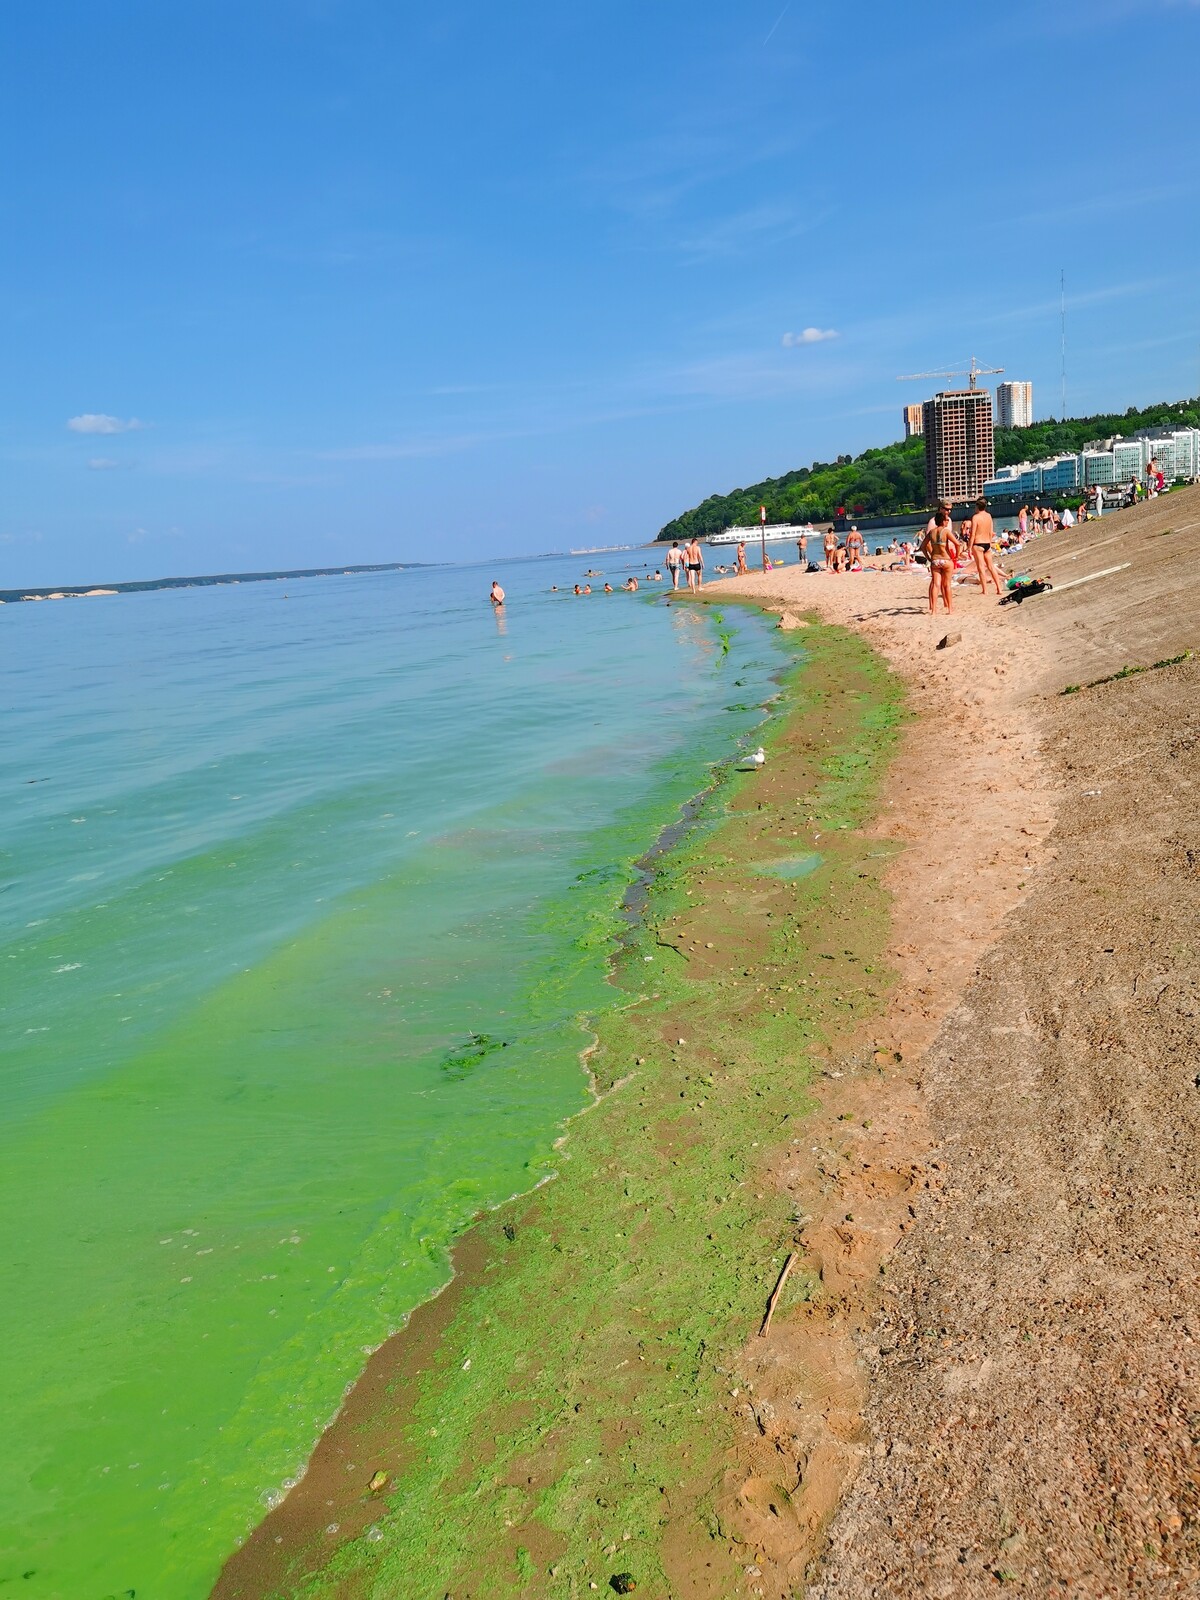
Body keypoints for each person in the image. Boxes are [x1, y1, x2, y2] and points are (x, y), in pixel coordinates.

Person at [919, 509, 959, 613]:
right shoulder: (945, 531)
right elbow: (957, 544)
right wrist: (956, 556)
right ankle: (950, 609)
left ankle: (934, 610)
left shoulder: (931, 532)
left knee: (936, 584)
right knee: (947, 584)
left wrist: (928, 557)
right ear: (943, 521)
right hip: (945, 559)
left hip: (935, 561)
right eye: (946, 520)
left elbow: (923, 546)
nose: (947, 522)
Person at [967, 496, 1003, 597]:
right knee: (991, 567)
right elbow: (991, 532)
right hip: (987, 543)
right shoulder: (989, 516)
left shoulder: (975, 517)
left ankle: (985, 590)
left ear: (977, 506)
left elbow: (973, 534)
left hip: (978, 543)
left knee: (981, 568)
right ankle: (999, 588)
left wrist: (969, 547)